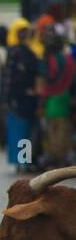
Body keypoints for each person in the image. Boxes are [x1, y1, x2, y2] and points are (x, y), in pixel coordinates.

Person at [2, 18, 43, 172]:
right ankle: (21, 162)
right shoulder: (15, 52)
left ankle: (24, 162)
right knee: (19, 132)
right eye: (21, 32)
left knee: (26, 132)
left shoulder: (31, 52)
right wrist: (7, 100)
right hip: (17, 99)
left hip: (28, 99)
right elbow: (7, 78)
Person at [37, 17, 74, 168]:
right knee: (63, 129)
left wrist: (40, 103)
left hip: (51, 100)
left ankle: (53, 158)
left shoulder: (48, 60)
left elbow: (44, 82)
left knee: (51, 130)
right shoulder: (69, 60)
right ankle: (63, 157)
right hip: (65, 98)